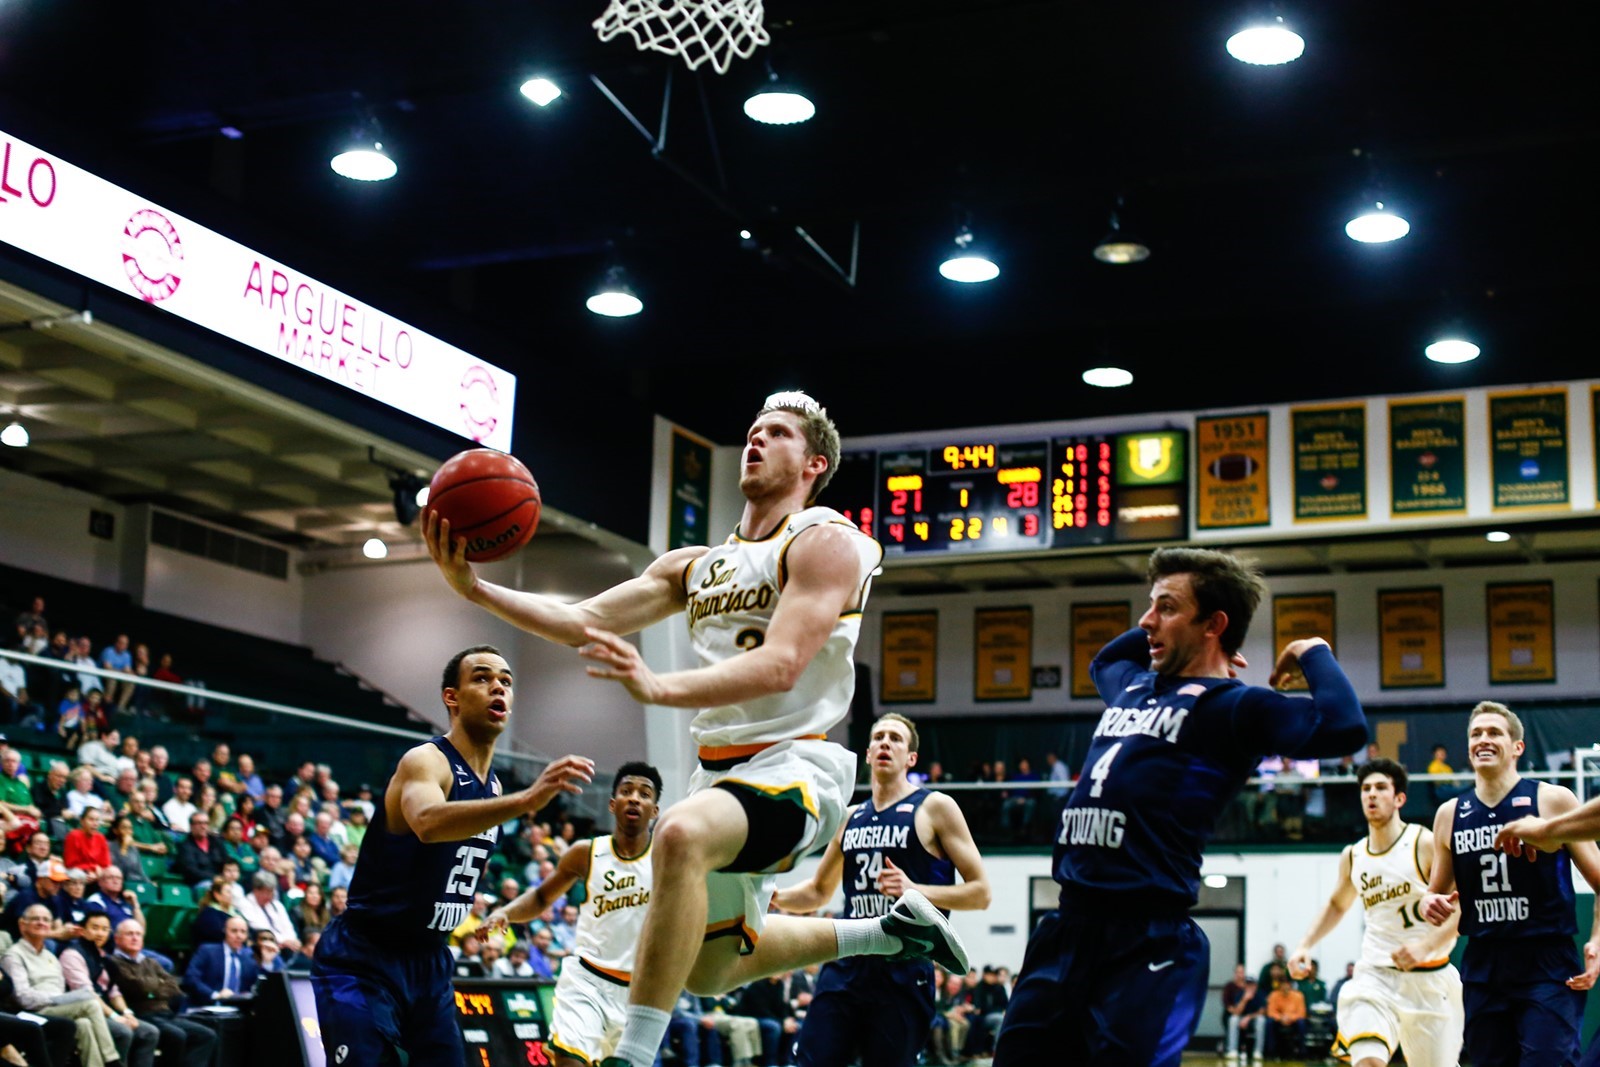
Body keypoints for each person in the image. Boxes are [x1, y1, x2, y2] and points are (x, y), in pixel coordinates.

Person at [424, 392, 967, 1067]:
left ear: (814, 464)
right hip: (719, 775)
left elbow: (782, 663)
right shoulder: (696, 565)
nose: (756, 440)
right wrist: (475, 589)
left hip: (796, 767)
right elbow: (583, 619)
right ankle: (886, 933)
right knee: (709, 970)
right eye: (753, 430)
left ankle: (633, 1056)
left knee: (677, 833)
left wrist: (659, 687)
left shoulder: (826, 542)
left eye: (778, 433)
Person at [992, 547, 1367, 1066]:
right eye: (1150, 605)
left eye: (1166, 607)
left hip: (1148, 939)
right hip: (1065, 928)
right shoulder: (1132, 684)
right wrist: (1165, 629)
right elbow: (1105, 661)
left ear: (1214, 624)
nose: (1146, 621)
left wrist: (1311, 650)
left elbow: (1344, 727)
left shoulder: (1233, 706)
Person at [310, 645, 594, 1066]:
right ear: (452, 697)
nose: (498, 686)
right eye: (482, 678)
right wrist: (528, 800)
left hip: (431, 961)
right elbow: (427, 822)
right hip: (366, 957)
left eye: (506, 681)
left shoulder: (493, 787)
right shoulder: (427, 761)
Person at [774, 712, 991, 1067]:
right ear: (868, 753)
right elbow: (818, 891)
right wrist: (776, 897)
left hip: (903, 965)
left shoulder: (935, 807)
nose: (885, 743)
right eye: (878, 737)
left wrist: (914, 889)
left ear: (911, 758)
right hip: (847, 962)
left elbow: (981, 893)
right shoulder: (850, 817)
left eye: (895, 738)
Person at [1421, 702, 1600, 1067]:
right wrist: (1427, 902)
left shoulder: (1552, 800)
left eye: (1494, 732)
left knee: (1547, 1060)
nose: (1483, 739)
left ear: (1518, 747)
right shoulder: (1449, 814)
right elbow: (1434, 893)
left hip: (1546, 959)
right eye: (1476, 734)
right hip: (1484, 962)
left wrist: (1597, 939)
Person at [483, 761, 663, 1067]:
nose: (634, 798)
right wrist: (506, 913)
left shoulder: (666, 858)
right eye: (626, 791)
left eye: (644, 794)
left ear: (655, 810)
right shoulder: (585, 852)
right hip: (586, 981)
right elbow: (541, 896)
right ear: (612, 804)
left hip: (639, 993)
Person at [1285, 757, 1462, 1067]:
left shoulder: (1422, 843)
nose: (1371, 794)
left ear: (1399, 799)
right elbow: (1337, 904)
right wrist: (1304, 946)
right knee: (1368, 1060)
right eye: (1366, 789)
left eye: (1381, 788)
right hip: (1375, 976)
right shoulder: (1354, 855)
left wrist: (1425, 946)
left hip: (1430, 980)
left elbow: (1463, 905)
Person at [1, 903, 124, 1067]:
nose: (41, 923)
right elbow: (22, 998)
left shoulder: (51, 956)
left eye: (46, 919)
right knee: (91, 1005)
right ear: (22, 924)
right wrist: (57, 999)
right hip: (31, 1012)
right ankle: (113, 1061)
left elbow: (59, 988)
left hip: (57, 1009)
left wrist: (61, 999)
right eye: (36, 919)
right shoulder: (14, 956)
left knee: (84, 1024)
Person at [102, 918, 218, 1067]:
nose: (135, 938)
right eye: (129, 934)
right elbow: (137, 987)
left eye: (138, 934)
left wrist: (151, 990)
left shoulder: (151, 962)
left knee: (207, 1035)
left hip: (165, 1014)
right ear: (117, 939)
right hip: (141, 1014)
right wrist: (156, 985)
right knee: (176, 1036)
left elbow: (173, 988)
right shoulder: (113, 962)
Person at [59, 909, 161, 1067]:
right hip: (83, 1012)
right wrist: (114, 1016)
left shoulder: (103, 956)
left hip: (104, 1011)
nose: (100, 933)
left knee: (149, 1032)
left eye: (105, 929)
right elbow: (86, 993)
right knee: (122, 1032)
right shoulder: (72, 955)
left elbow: (114, 991)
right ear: (83, 930)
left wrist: (127, 1013)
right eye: (95, 928)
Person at [182, 915, 259, 1006]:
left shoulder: (250, 956)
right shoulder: (207, 951)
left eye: (243, 932)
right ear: (225, 931)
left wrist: (267, 962)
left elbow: (258, 983)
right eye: (234, 931)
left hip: (239, 1008)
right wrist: (215, 995)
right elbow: (191, 978)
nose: (239, 936)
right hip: (207, 1005)